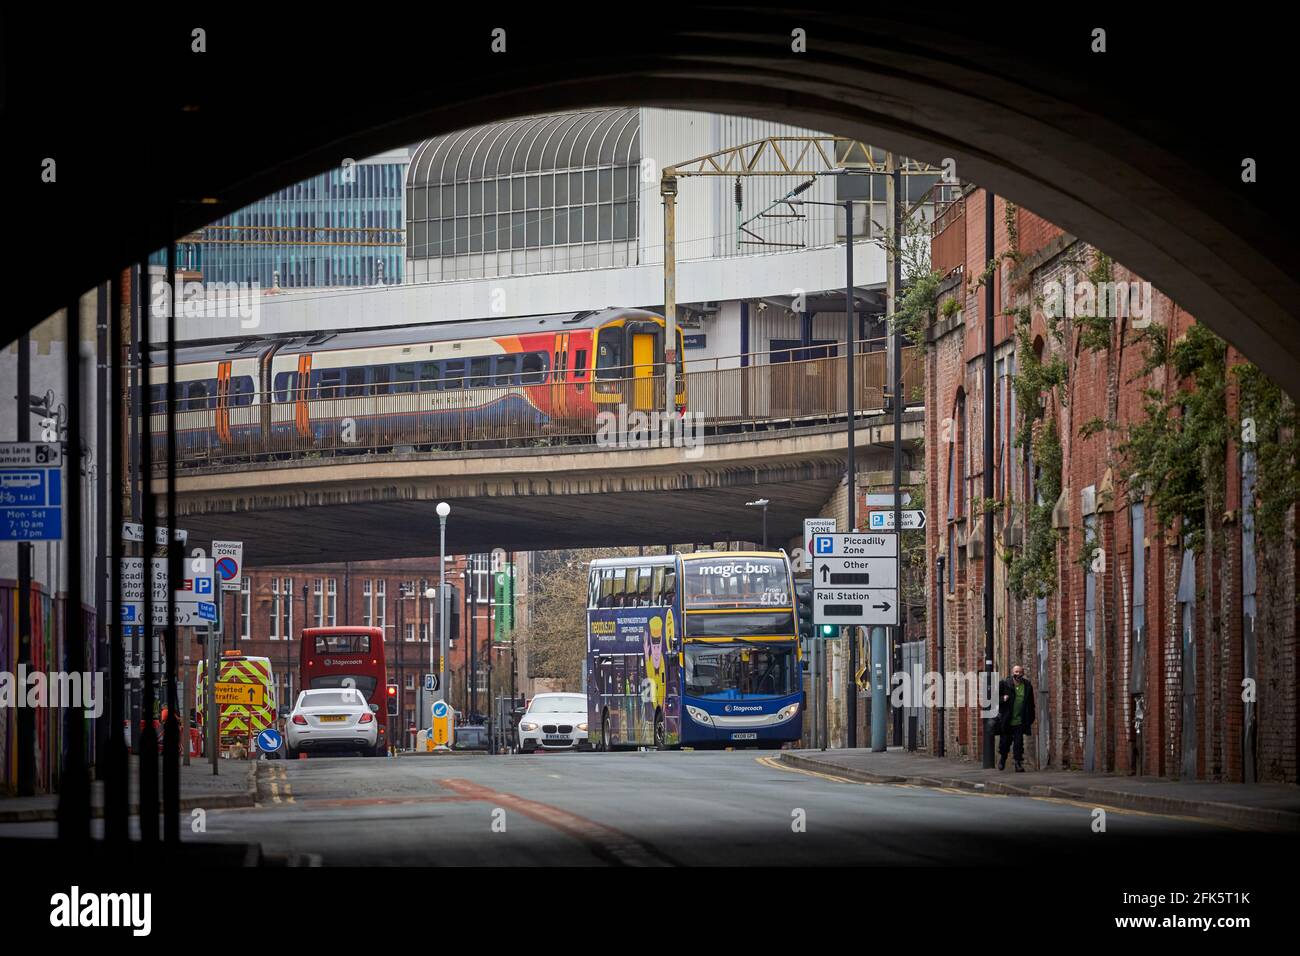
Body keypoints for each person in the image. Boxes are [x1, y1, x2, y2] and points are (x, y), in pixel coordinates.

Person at [996, 664, 1035, 771]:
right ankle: (1003, 758)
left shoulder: (1027, 686)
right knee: (1005, 743)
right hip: (1007, 719)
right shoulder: (1004, 684)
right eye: (1016, 672)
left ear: (1023, 673)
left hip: (1020, 720)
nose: (1018, 674)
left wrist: (1031, 717)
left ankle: (1018, 764)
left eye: (1020, 672)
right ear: (1012, 673)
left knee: (1018, 743)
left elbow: (1031, 703)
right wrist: (1002, 698)